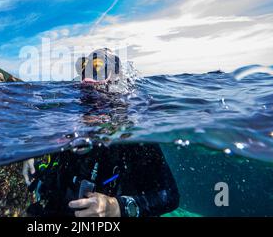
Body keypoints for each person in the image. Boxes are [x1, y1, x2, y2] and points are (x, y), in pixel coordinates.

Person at [22, 49, 179, 217]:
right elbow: (42, 129)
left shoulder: (132, 129)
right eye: (84, 68)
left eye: (99, 67)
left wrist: (117, 207)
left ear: (116, 77)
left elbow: (169, 196)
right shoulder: (70, 114)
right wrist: (31, 152)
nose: (88, 77)